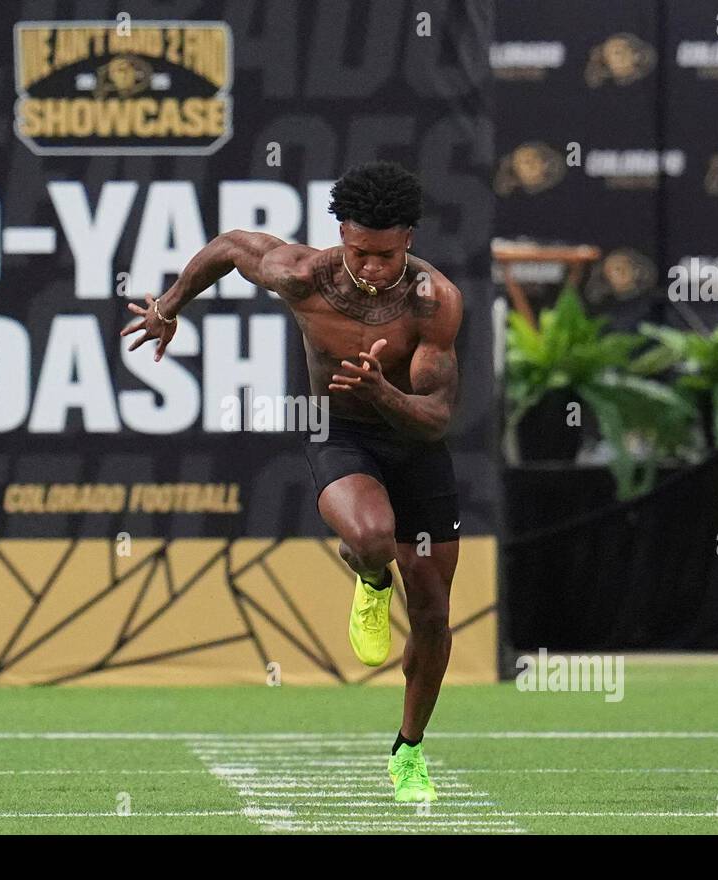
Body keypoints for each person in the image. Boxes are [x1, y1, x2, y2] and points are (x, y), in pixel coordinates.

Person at [120, 161, 462, 802]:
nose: (374, 267)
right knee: (372, 535)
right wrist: (168, 308)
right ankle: (369, 575)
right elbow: (227, 247)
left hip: (415, 443)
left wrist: (385, 392)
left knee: (436, 613)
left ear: (409, 240)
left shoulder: (433, 301)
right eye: (361, 250)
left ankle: (408, 752)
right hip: (341, 433)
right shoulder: (303, 275)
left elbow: (437, 417)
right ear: (341, 232)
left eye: (388, 254)